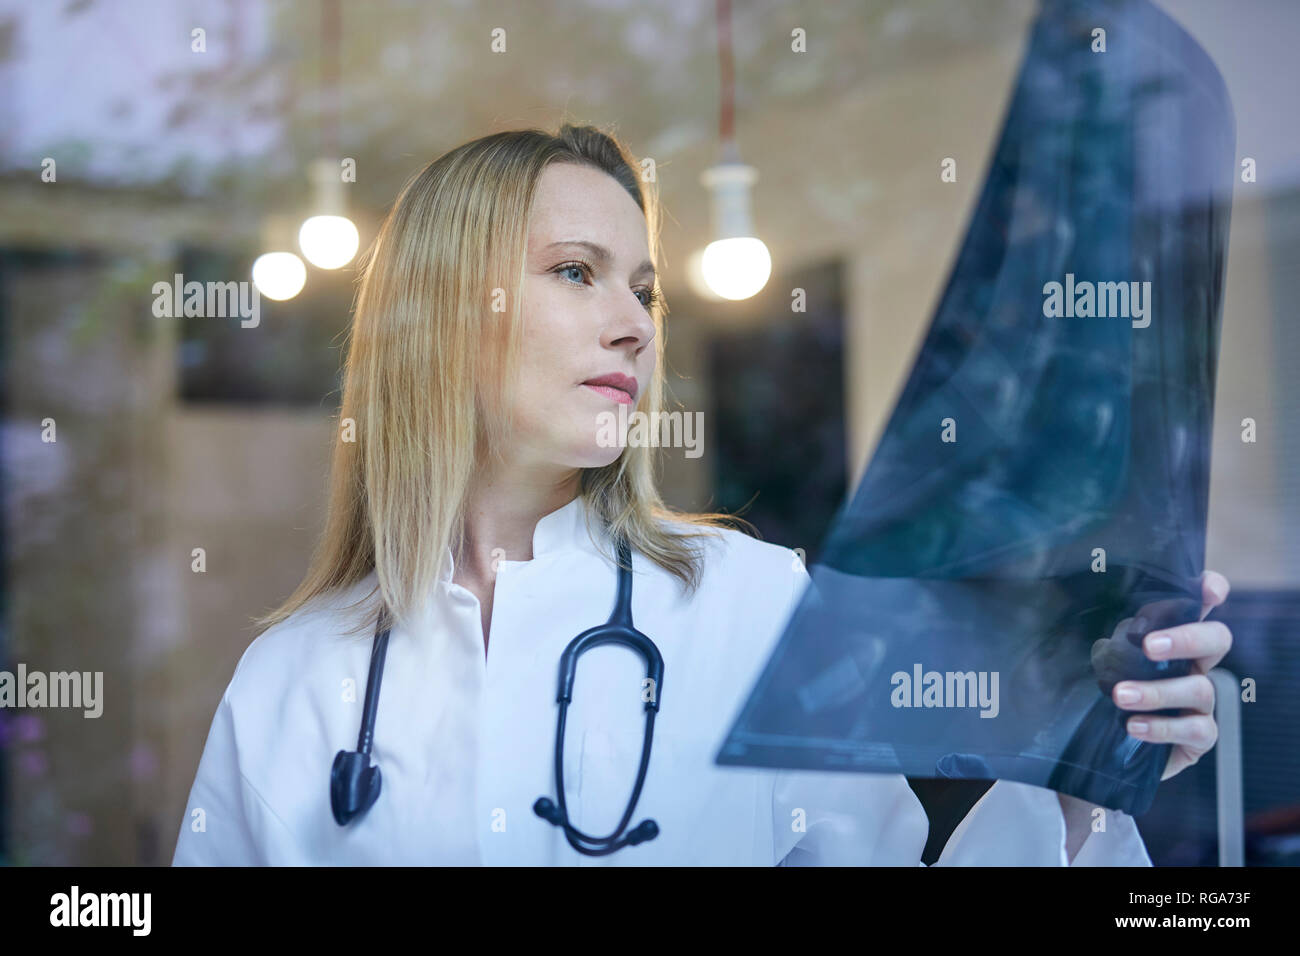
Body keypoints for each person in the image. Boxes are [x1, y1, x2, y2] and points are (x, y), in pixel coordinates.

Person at [171, 124, 1233, 866]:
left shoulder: (754, 605)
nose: (634, 324)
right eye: (577, 272)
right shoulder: (293, 681)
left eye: (642, 289)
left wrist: (1073, 782)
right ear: (445, 310)